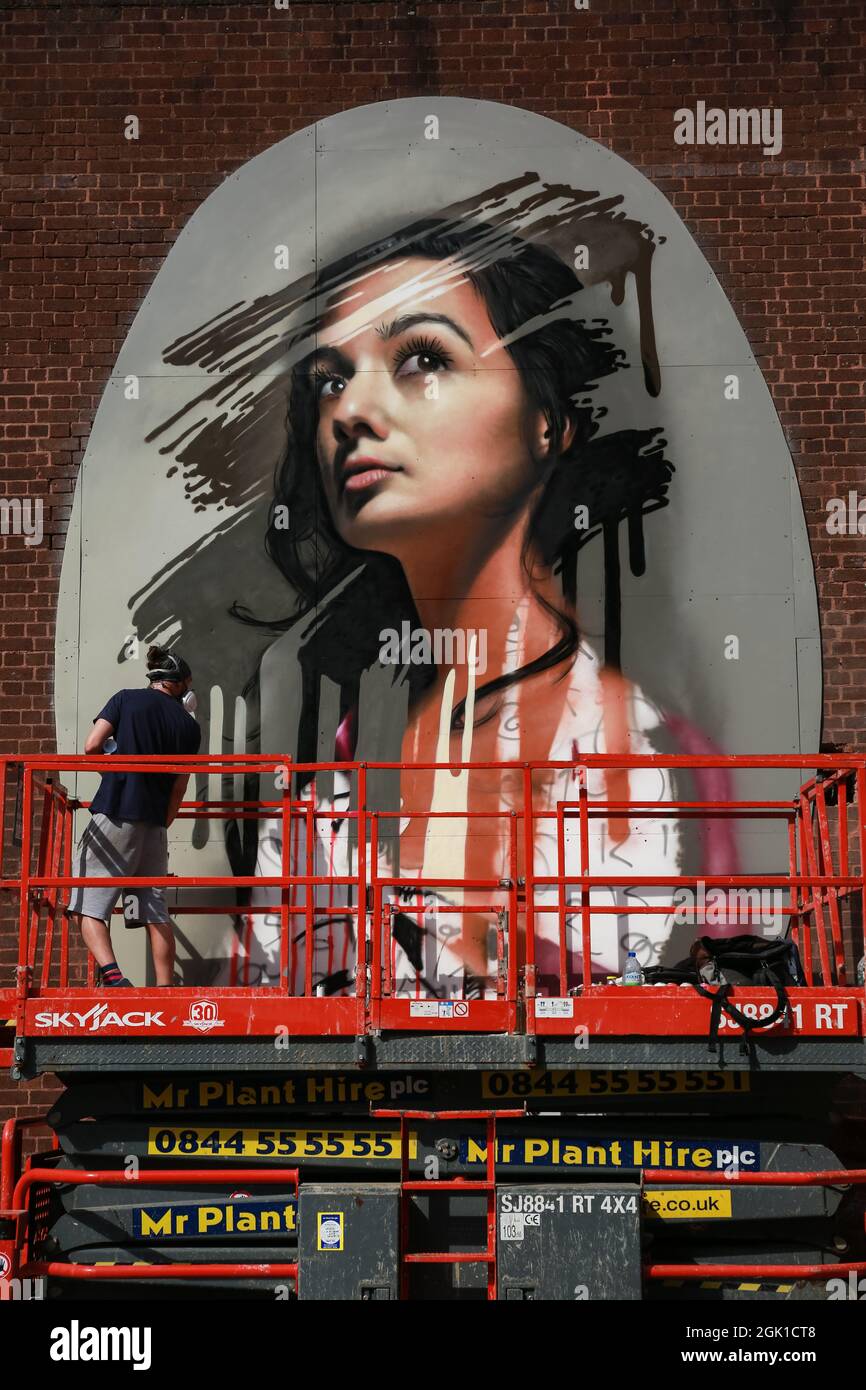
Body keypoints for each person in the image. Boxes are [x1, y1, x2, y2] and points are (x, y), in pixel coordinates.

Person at [235, 221, 702, 996]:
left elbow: (635, 985)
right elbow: (278, 987)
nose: (350, 410)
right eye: (329, 378)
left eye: (422, 358)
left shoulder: (643, 756)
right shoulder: (328, 775)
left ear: (548, 420)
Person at [68, 645, 201, 986]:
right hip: (155, 825)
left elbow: (91, 746)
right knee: (154, 911)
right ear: (179, 685)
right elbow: (179, 789)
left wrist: (115, 776)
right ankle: (164, 989)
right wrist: (163, 821)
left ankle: (114, 978)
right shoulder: (189, 727)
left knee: (89, 903)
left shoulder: (125, 699)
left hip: (115, 813)